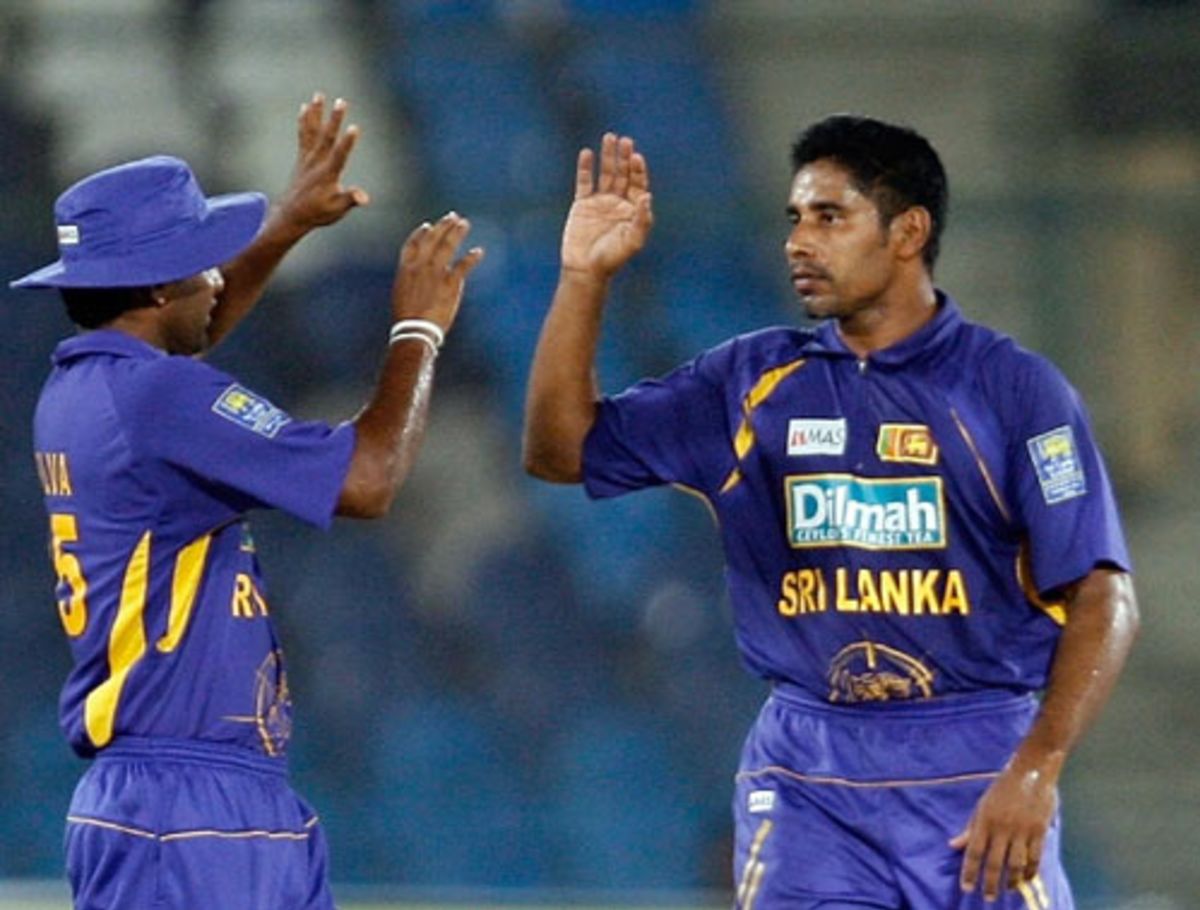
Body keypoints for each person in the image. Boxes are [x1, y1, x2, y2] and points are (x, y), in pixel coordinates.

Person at [523, 119, 1140, 908]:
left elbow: (1103, 596)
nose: (798, 243)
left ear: (907, 232)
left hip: (975, 764)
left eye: (828, 217)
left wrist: (1037, 767)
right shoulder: (749, 383)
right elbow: (559, 452)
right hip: (807, 771)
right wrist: (583, 279)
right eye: (794, 219)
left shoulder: (1014, 392)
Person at [11, 94, 482, 910]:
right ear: (158, 286)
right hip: (186, 811)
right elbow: (367, 480)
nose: (217, 276)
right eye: (202, 260)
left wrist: (288, 223)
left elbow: (190, 335)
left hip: (200, 798)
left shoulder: (87, 391)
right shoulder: (157, 398)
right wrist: (417, 330)